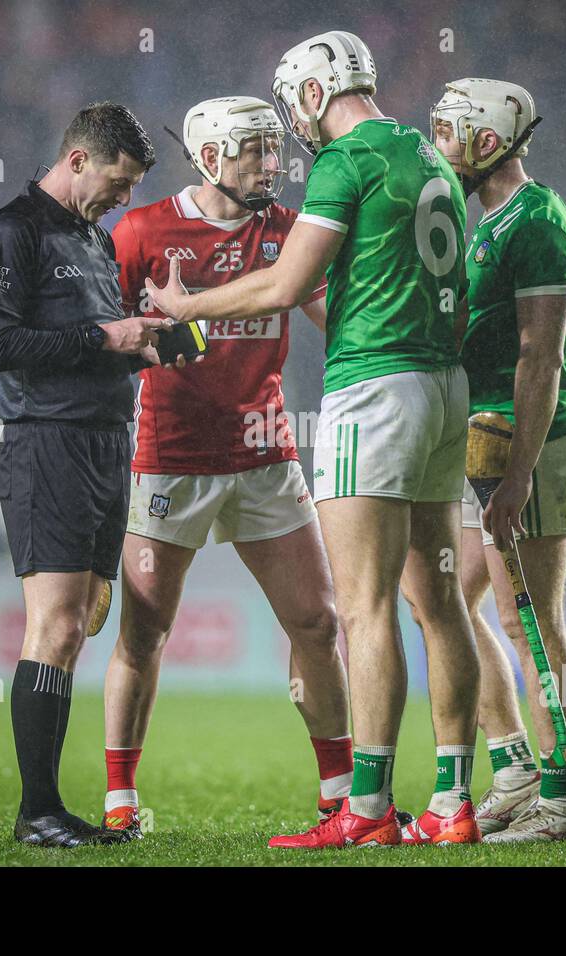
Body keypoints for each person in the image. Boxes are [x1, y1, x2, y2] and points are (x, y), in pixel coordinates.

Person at [147, 32, 480, 848]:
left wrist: (186, 307)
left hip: (377, 389)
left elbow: (290, 284)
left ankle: (365, 812)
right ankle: (454, 801)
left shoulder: (344, 160)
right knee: (438, 603)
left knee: (365, 610)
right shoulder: (424, 153)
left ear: (311, 91)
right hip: (445, 385)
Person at [100, 96, 352, 838]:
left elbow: (333, 319)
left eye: (275, 149)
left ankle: (339, 793)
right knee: (144, 633)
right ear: (209, 157)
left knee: (318, 621)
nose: (272, 165)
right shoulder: (142, 231)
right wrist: (154, 338)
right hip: (169, 459)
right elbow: (103, 334)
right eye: (253, 151)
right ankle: (119, 800)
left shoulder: (287, 230)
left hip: (265, 455)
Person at [0, 102, 174, 848]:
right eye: (118, 184)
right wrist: (105, 333)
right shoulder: (14, 228)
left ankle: (50, 808)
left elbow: (93, 342)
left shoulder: (93, 239)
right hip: (47, 443)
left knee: (82, 619)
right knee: (55, 623)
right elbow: (1, 343)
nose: (124, 201)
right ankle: (39, 812)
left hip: (103, 443)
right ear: (79, 160)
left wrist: (142, 344)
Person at [422, 78, 566, 841]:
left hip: (536, 445)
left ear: (488, 142)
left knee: (532, 622)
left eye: (450, 130)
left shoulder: (540, 221)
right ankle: (518, 764)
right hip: (481, 439)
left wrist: (519, 475)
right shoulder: (486, 219)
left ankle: (563, 805)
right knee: (447, 601)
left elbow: (542, 357)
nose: (438, 143)